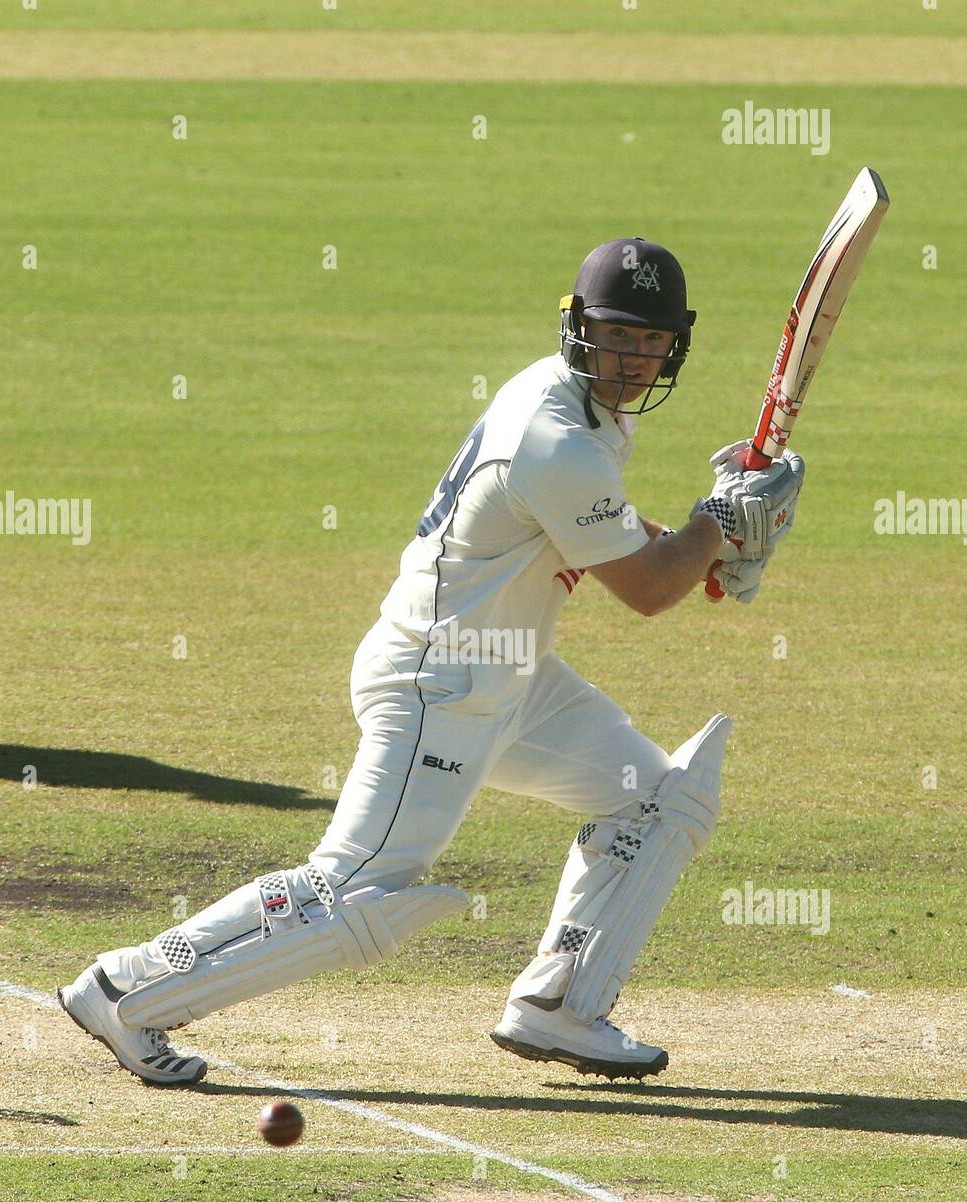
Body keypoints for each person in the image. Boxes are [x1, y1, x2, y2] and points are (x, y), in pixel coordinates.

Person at [58, 237, 803, 1086]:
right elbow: (644, 590)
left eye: (649, 341)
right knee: (356, 893)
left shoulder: (585, 410)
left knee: (657, 801)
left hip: (511, 673)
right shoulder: (554, 438)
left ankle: (561, 1003)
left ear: (675, 345)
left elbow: (622, 548)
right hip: (440, 679)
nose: (631, 357)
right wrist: (715, 523)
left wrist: (709, 539)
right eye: (615, 333)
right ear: (576, 321)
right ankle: (125, 986)